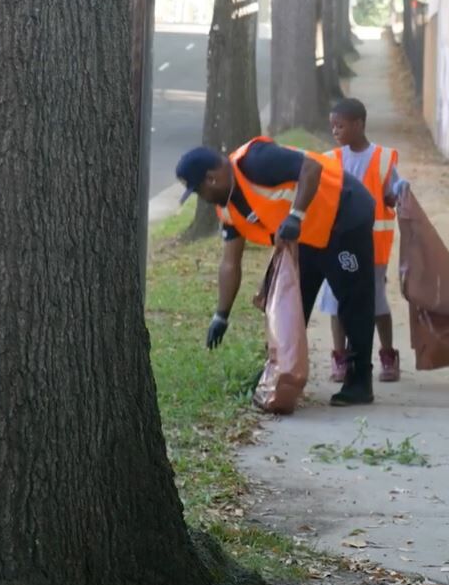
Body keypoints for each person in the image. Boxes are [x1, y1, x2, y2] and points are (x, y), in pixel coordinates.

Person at [175, 137, 377, 407]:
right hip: (306, 235)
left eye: (198, 191)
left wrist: (296, 216)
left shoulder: (256, 160)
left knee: (354, 299)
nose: (202, 198)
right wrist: (220, 316)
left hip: (344, 215)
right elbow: (230, 262)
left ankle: (360, 381)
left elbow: (311, 169)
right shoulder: (227, 208)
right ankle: (280, 373)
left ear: (211, 179)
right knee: (288, 305)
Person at [318, 98, 409, 383]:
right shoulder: (332, 159)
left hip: (372, 248)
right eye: (332, 126)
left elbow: (391, 191)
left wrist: (399, 190)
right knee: (336, 302)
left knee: (376, 303)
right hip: (338, 246)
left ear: (359, 125)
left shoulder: (381, 159)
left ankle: (388, 356)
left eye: (341, 125)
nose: (335, 131)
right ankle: (340, 358)